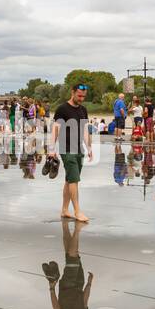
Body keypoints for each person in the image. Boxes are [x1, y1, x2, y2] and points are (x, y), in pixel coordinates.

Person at [42, 218, 93, 309]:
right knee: (71, 255)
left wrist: (52, 289)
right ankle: (65, 226)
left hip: (67, 285)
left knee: (73, 255)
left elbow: (56, 306)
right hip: (80, 283)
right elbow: (85, 301)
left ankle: (77, 229)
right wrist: (89, 284)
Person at [50, 82, 93, 222]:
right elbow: (55, 129)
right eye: (79, 96)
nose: (81, 99)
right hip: (66, 148)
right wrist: (51, 149)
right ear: (72, 92)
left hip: (78, 148)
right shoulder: (62, 109)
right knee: (74, 179)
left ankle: (64, 210)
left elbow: (85, 130)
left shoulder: (83, 109)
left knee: (70, 180)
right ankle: (77, 211)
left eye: (83, 97)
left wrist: (89, 147)